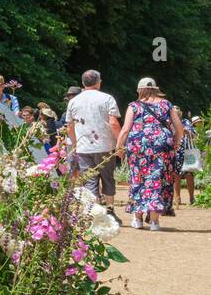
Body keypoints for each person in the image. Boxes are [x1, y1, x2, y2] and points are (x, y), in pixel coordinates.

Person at [116, 78, 183, 231]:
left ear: (139, 90)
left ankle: (138, 220)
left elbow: (125, 129)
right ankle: (154, 222)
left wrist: (119, 148)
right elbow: (179, 128)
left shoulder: (134, 106)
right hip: (162, 148)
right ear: (155, 89)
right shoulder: (166, 104)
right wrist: (176, 143)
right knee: (157, 181)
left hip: (139, 148)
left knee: (138, 179)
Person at [66, 70, 121, 214]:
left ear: (83, 83)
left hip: (84, 148)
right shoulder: (107, 98)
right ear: (99, 82)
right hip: (105, 147)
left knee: (90, 182)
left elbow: (69, 126)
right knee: (108, 179)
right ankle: (110, 212)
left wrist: (75, 144)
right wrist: (120, 144)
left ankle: (95, 215)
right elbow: (114, 123)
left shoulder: (73, 101)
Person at [179, 116, 202, 206]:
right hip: (176, 151)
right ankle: (177, 198)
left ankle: (191, 197)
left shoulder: (186, 122)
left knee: (189, 174)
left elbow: (192, 134)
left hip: (188, 151)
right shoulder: (170, 121)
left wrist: (186, 132)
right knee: (176, 176)